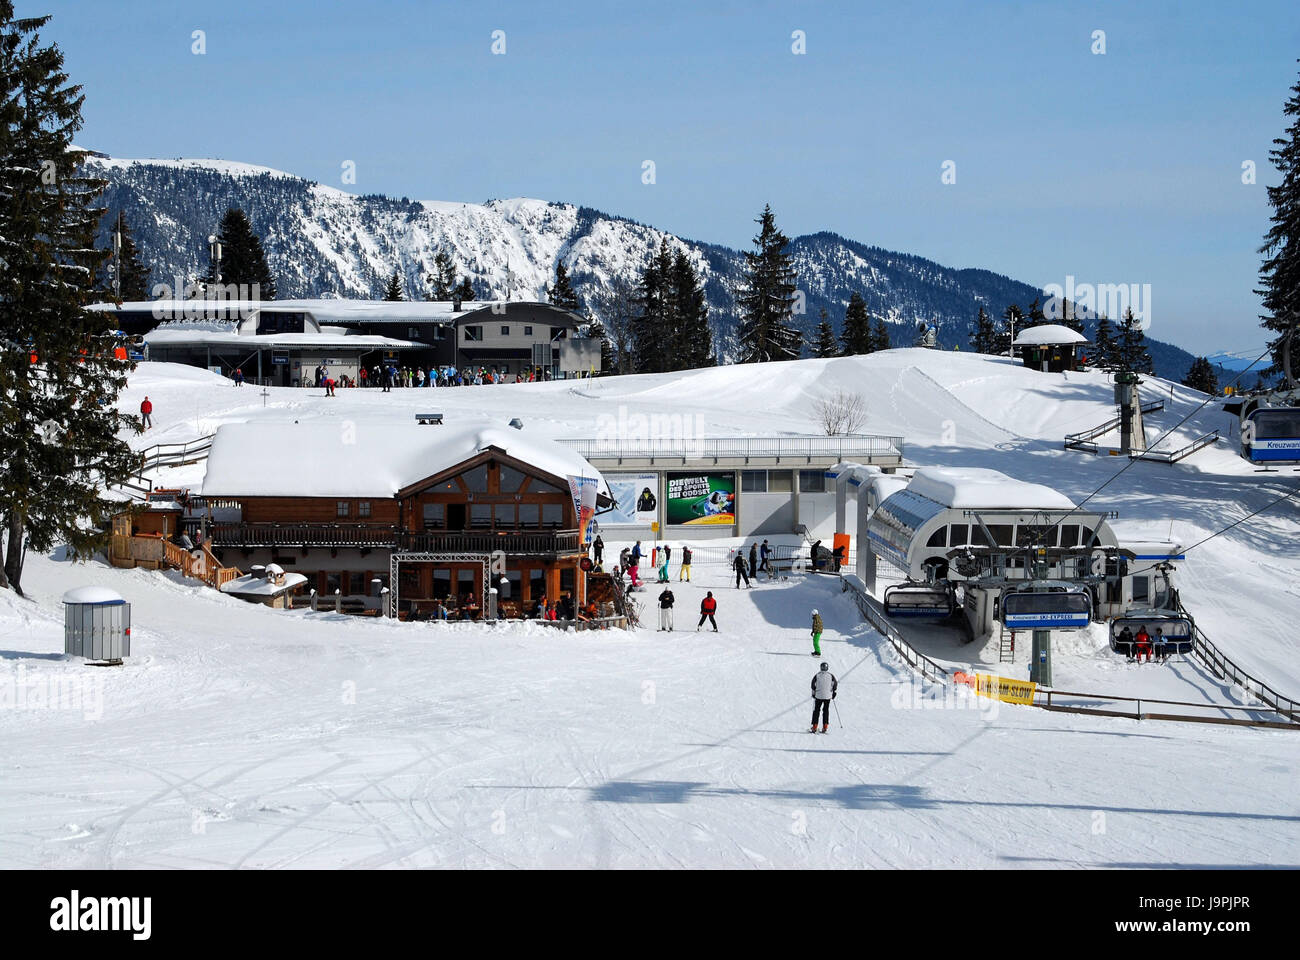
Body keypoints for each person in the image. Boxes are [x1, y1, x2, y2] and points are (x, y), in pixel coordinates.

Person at [810, 662, 838, 733]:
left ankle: (814, 726)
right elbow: (835, 684)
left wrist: (814, 693)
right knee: (826, 710)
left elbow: (813, 685)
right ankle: (825, 726)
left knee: (816, 710)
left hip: (818, 695)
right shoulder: (831, 675)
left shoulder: (817, 675)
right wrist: (833, 692)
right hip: (828, 696)